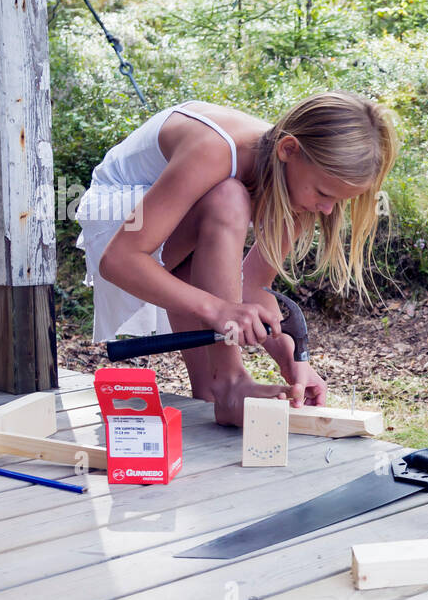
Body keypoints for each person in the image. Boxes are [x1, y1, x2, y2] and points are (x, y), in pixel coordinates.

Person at [73, 92, 397, 426]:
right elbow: (119, 260)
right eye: (325, 194)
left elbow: (254, 287)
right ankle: (229, 380)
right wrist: (218, 310)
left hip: (170, 229)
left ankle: (213, 392)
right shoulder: (216, 150)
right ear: (288, 150)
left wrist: (292, 358)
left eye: (338, 201)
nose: (328, 210)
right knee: (228, 198)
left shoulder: (303, 191)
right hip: (120, 224)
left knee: (222, 221)